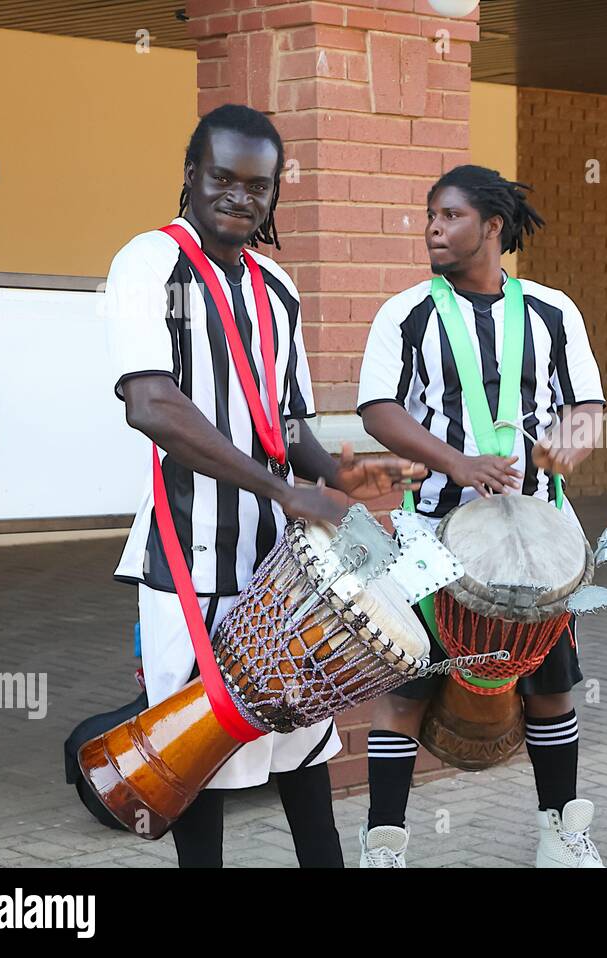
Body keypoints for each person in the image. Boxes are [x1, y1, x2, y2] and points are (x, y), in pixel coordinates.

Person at [105, 104, 421, 867]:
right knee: (199, 764)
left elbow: (282, 421)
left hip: (282, 568)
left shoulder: (278, 287)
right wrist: (288, 494)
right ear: (191, 175)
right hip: (189, 561)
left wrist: (334, 470)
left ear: (276, 193)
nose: (240, 197)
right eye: (223, 178)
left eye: (259, 185)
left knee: (303, 756)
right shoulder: (149, 263)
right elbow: (153, 405)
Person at [355, 165, 607, 868]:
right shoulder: (406, 312)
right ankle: (386, 845)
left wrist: (573, 444)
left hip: (537, 541)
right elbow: (378, 409)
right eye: (431, 216)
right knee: (404, 691)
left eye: (450, 216)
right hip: (430, 537)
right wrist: (457, 464)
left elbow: (587, 406)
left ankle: (561, 834)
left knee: (552, 692)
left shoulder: (555, 309)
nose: (434, 229)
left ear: (493, 226)